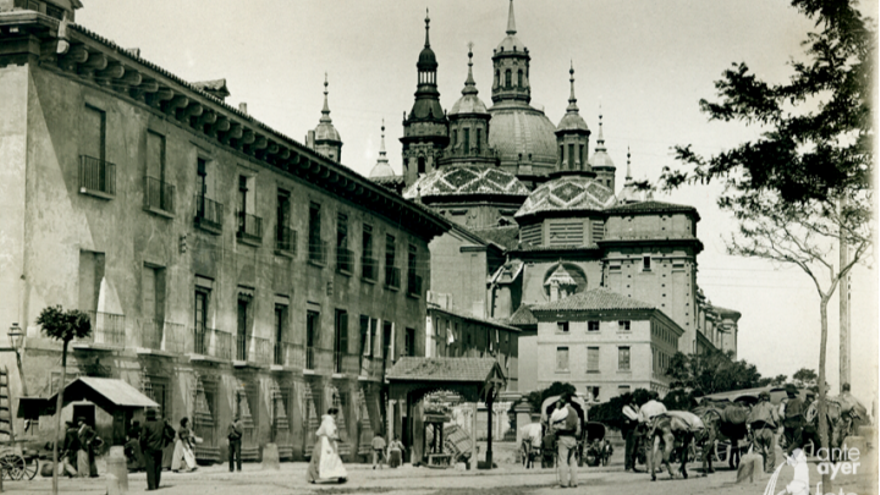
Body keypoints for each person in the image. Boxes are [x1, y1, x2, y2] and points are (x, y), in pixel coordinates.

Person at [306, 407, 348, 483]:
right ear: (332, 414)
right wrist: (338, 439)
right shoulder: (329, 420)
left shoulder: (327, 420)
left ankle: (313, 477)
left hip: (324, 442)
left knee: (322, 460)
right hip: (326, 443)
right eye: (336, 415)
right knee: (329, 459)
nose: (336, 417)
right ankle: (340, 476)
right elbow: (330, 434)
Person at [550, 393, 581, 489]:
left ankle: (563, 483)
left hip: (564, 436)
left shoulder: (565, 410)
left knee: (563, 461)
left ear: (564, 401)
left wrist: (556, 408)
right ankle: (574, 482)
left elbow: (554, 417)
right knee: (573, 461)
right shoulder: (575, 411)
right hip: (573, 437)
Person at [140, 409, 175, 491]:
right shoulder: (161, 423)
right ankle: (156, 483)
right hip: (159, 447)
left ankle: (152, 486)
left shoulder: (146, 424)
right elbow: (166, 434)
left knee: (150, 467)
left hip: (149, 448)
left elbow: (143, 438)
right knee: (158, 467)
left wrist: (142, 447)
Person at [747, 391, 781, 473]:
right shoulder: (771, 406)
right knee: (770, 449)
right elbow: (776, 418)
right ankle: (769, 468)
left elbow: (748, 421)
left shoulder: (754, 407)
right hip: (767, 429)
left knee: (758, 450)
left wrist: (749, 432)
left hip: (756, 430)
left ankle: (759, 468)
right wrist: (778, 426)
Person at [782, 384, 805, 456]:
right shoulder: (800, 400)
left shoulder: (785, 400)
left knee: (789, 441)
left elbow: (780, 412)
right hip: (796, 421)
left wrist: (784, 419)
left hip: (787, 422)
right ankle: (797, 456)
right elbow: (802, 412)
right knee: (798, 440)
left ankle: (790, 457)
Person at [621, 396, 641, 472]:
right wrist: (640, 416)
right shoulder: (626, 408)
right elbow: (634, 417)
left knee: (635, 448)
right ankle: (628, 466)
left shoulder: (636, 407)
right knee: (630, 448)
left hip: (635, 428)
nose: (634, 400)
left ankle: (632, 465)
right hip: (630, 429)